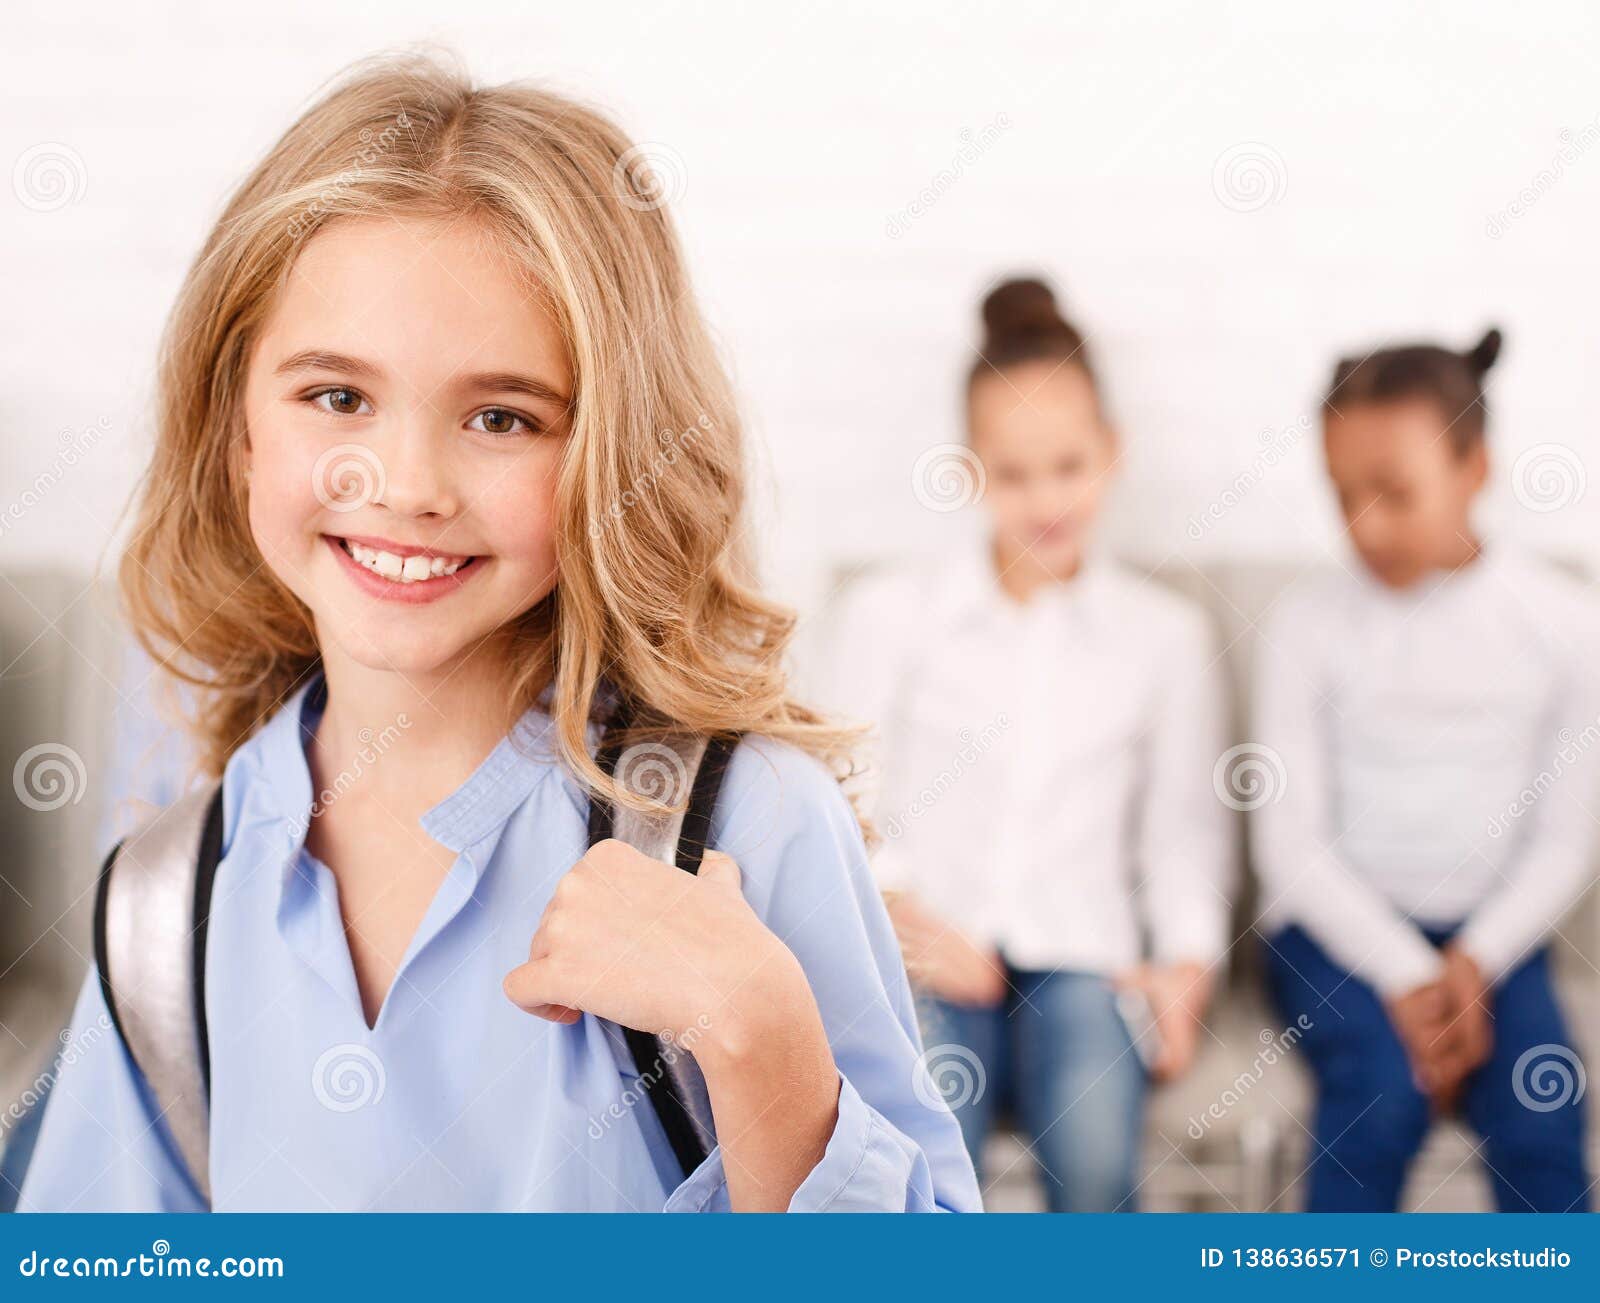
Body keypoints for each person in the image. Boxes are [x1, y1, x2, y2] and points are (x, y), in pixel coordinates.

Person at [17, 53, 979, 1214]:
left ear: (612, 460)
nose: (408, 483)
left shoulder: (744, 831)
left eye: (501, 417)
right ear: (236, 433)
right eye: (336, 396)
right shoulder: (165, 909)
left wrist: (767, 1050)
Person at [814, 278, 1235, 1211]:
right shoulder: (891, 614)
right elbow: (839, 801)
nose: (1046, 499)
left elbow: (1183, 835)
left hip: (1086, 953)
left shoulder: (1165, 635)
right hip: (931, 939)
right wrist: (908, 922)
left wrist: (1187, 967)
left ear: (1111, 456)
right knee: (923, 1163)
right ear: (970, 473)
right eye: (1013, 474)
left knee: (1092, 1166)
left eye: (1069, 466)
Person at [1256, 327, 1596, 1212]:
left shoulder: (1564, 623)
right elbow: (1291, 846)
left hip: (1489, 942)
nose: (1363, 524)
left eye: (1394, 493)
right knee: (1376, 1094)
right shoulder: (1305, 626)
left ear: (1475, 467)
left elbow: (1565, 840)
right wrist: (1406, 971)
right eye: (1341, 493)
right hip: (1328, 938)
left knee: (1540, 1117)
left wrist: (1470, 963)